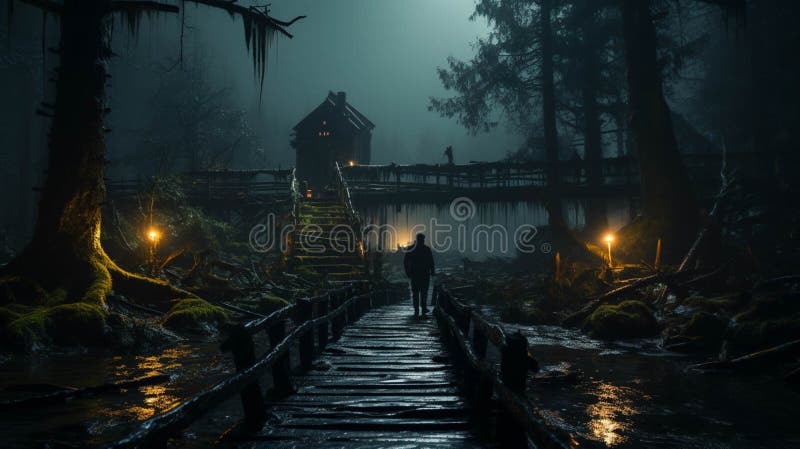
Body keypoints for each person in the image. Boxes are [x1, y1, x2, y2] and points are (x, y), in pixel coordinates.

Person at [403, 233, 435, 316]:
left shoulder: (411, 249)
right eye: (422, 240)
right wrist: (432, 272)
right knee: (423, 292)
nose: (423, 241)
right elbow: (431, 261)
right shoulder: (426, 249)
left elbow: (406, 262)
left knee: (416, 292)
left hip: (416, 274)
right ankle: (422, 308)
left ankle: (417, 308)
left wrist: (408, 272)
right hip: (423, 274)